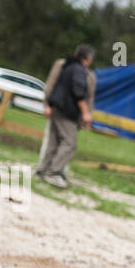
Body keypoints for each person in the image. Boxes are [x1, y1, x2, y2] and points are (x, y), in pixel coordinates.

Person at [37, 44, 95, 189]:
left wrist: (49, 104)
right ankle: (54, 173)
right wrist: (86, 113)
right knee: (69, 143)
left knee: (53, 141)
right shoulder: (78, 70)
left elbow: (54, 86)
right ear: (87, 58)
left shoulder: (67, 66)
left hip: (57, 107)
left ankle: (42, 171)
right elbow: (78, 92)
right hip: (67, 111)